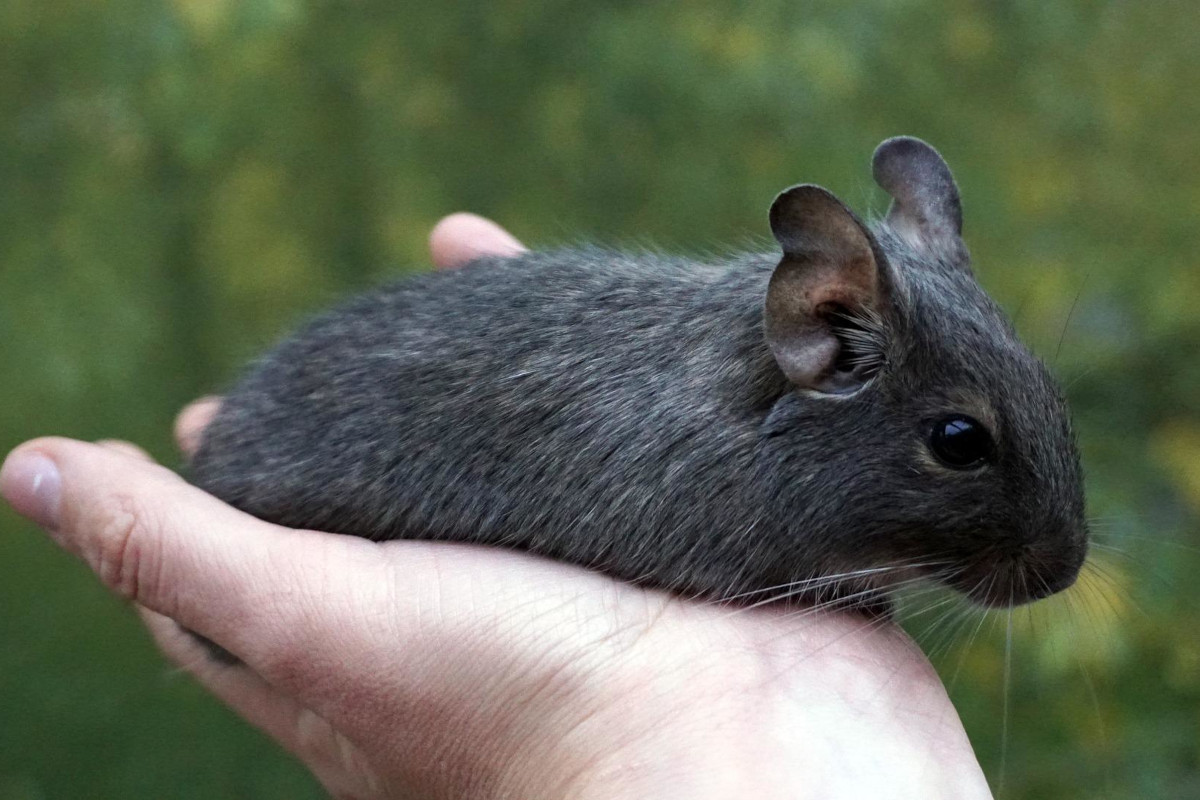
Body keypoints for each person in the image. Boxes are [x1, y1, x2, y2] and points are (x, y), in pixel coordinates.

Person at [0, 214, 993, 799]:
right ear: (820, 329)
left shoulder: (755, 450)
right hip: (289, 470)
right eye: (958, 447)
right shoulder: (725, 467)